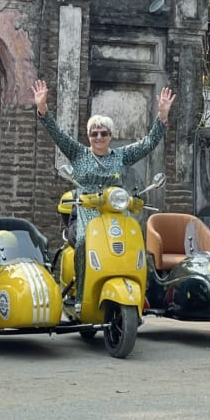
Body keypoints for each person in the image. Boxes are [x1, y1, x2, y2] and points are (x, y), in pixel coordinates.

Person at [32, 79, 175, 308]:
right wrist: (42, 108)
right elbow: (57, 134)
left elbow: (148, 144)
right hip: (86, 212)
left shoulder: (120, 156)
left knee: (133, 241)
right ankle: (80, 295)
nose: (99, 137)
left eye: (104, 133)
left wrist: (162, 116)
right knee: (83, 242)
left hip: (116, 214)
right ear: (89, 135)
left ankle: (140, 292)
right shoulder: (78, 154)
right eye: (94, 133)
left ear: (111, 135)